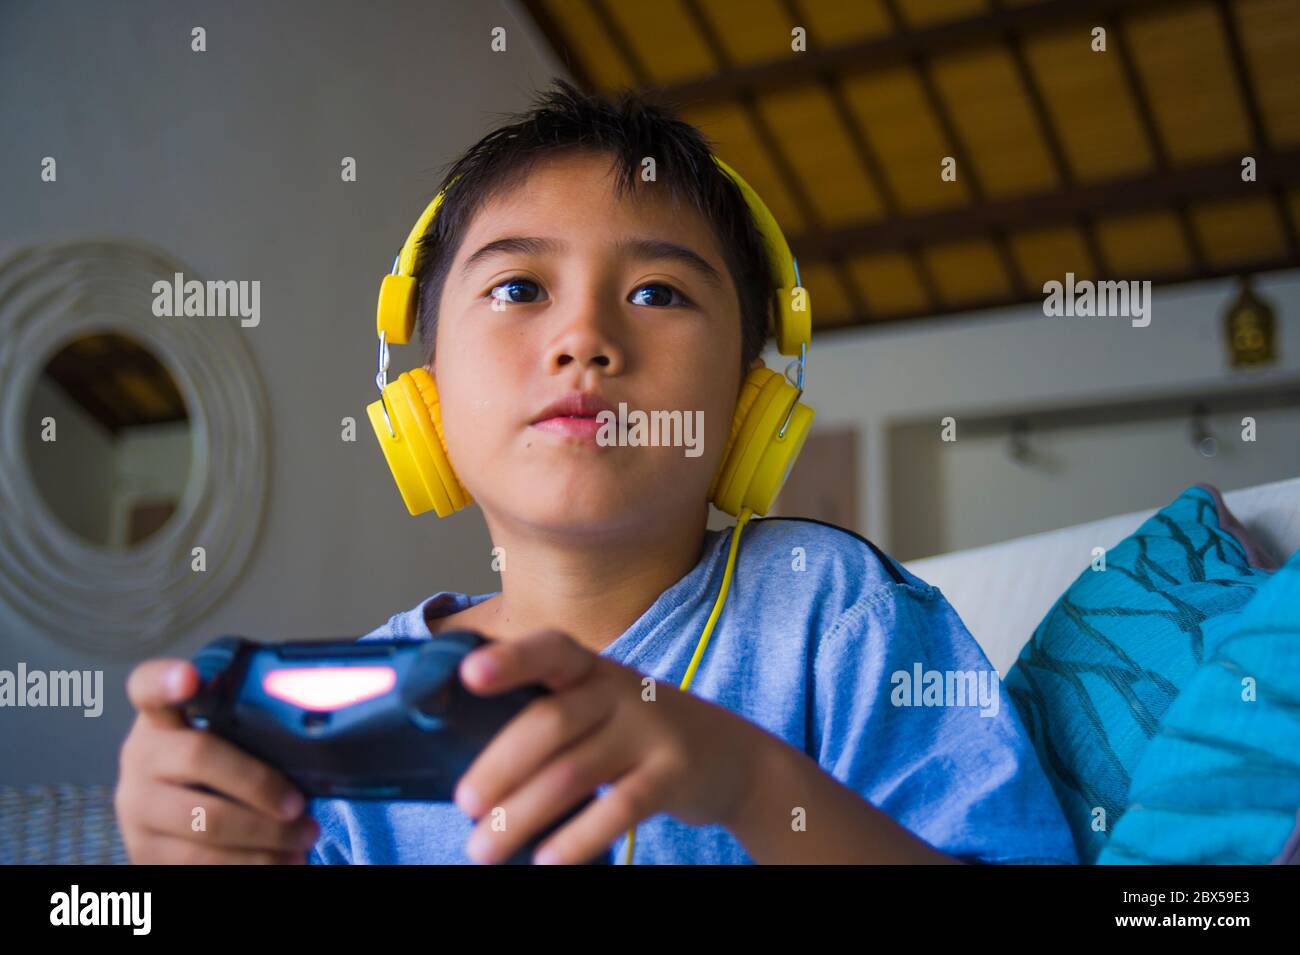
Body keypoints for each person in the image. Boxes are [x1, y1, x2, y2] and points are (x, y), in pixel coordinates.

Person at [114, 80, 1077, 866]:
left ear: (751, 405)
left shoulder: (837, 613)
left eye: (658, 291)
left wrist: (750, 783)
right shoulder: (357, 705)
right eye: (518, 287)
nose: (584, 339)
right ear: (424, 397)